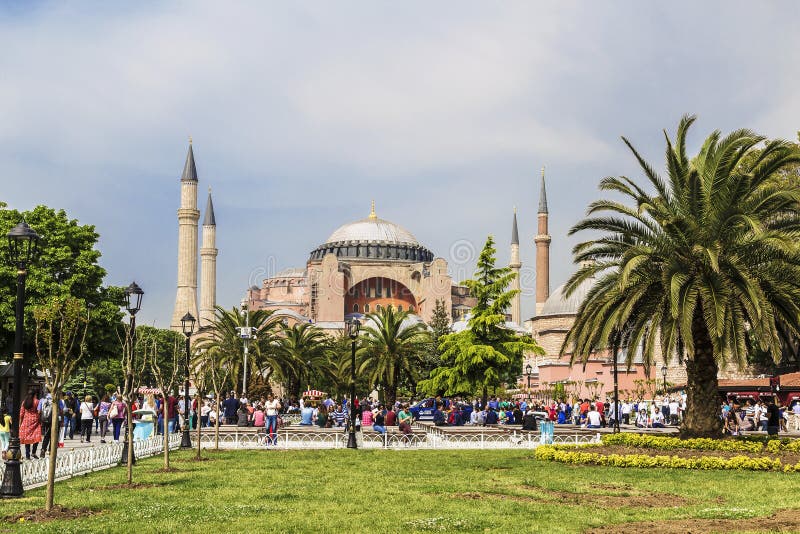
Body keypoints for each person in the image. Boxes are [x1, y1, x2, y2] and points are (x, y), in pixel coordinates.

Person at [19, 392, 41, 459]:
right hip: (35, 421)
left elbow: (21, 413)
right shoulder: (37, 401)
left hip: (26, 422)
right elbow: (39, 411)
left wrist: (20, 423)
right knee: (36, 437)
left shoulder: (24, 402)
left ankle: (27, 455)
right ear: (35, 395)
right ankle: (33, 452)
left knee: (27, 439)